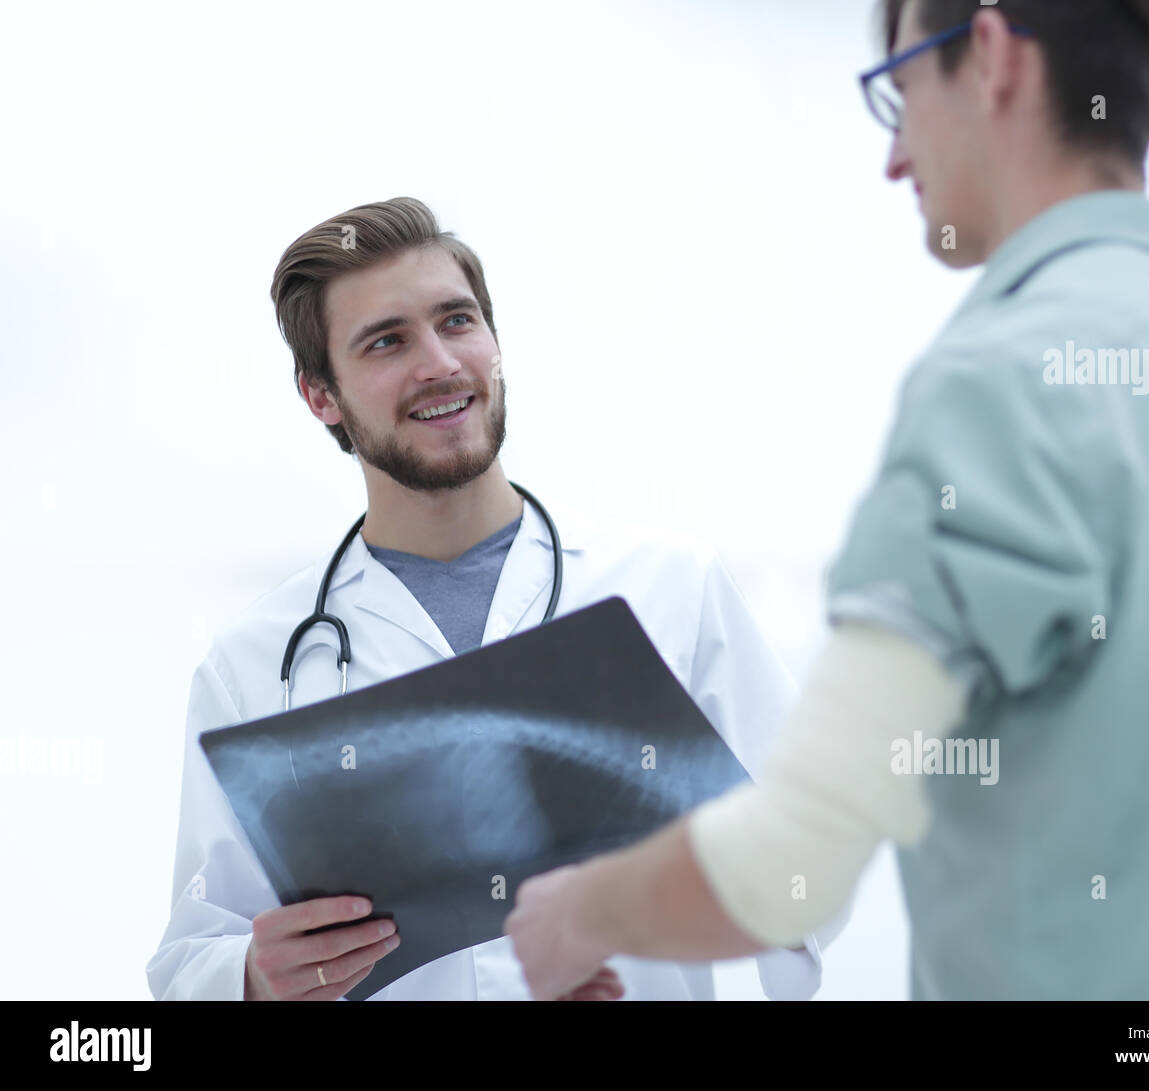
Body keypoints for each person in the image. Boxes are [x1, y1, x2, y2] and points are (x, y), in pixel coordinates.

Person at [506, 0, 1149, 1001]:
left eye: (901, 91)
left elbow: (790, 863)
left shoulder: (1002, 380)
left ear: (992, 52)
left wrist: (576, 912)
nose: (893, 160)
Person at [146, 196, 843, 1001]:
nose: (439, 362)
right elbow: (193, 953)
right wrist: (253, 979)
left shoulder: (670, 588)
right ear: (321, 396)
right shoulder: (253, 665)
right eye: (387, 341)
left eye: (458, 321)